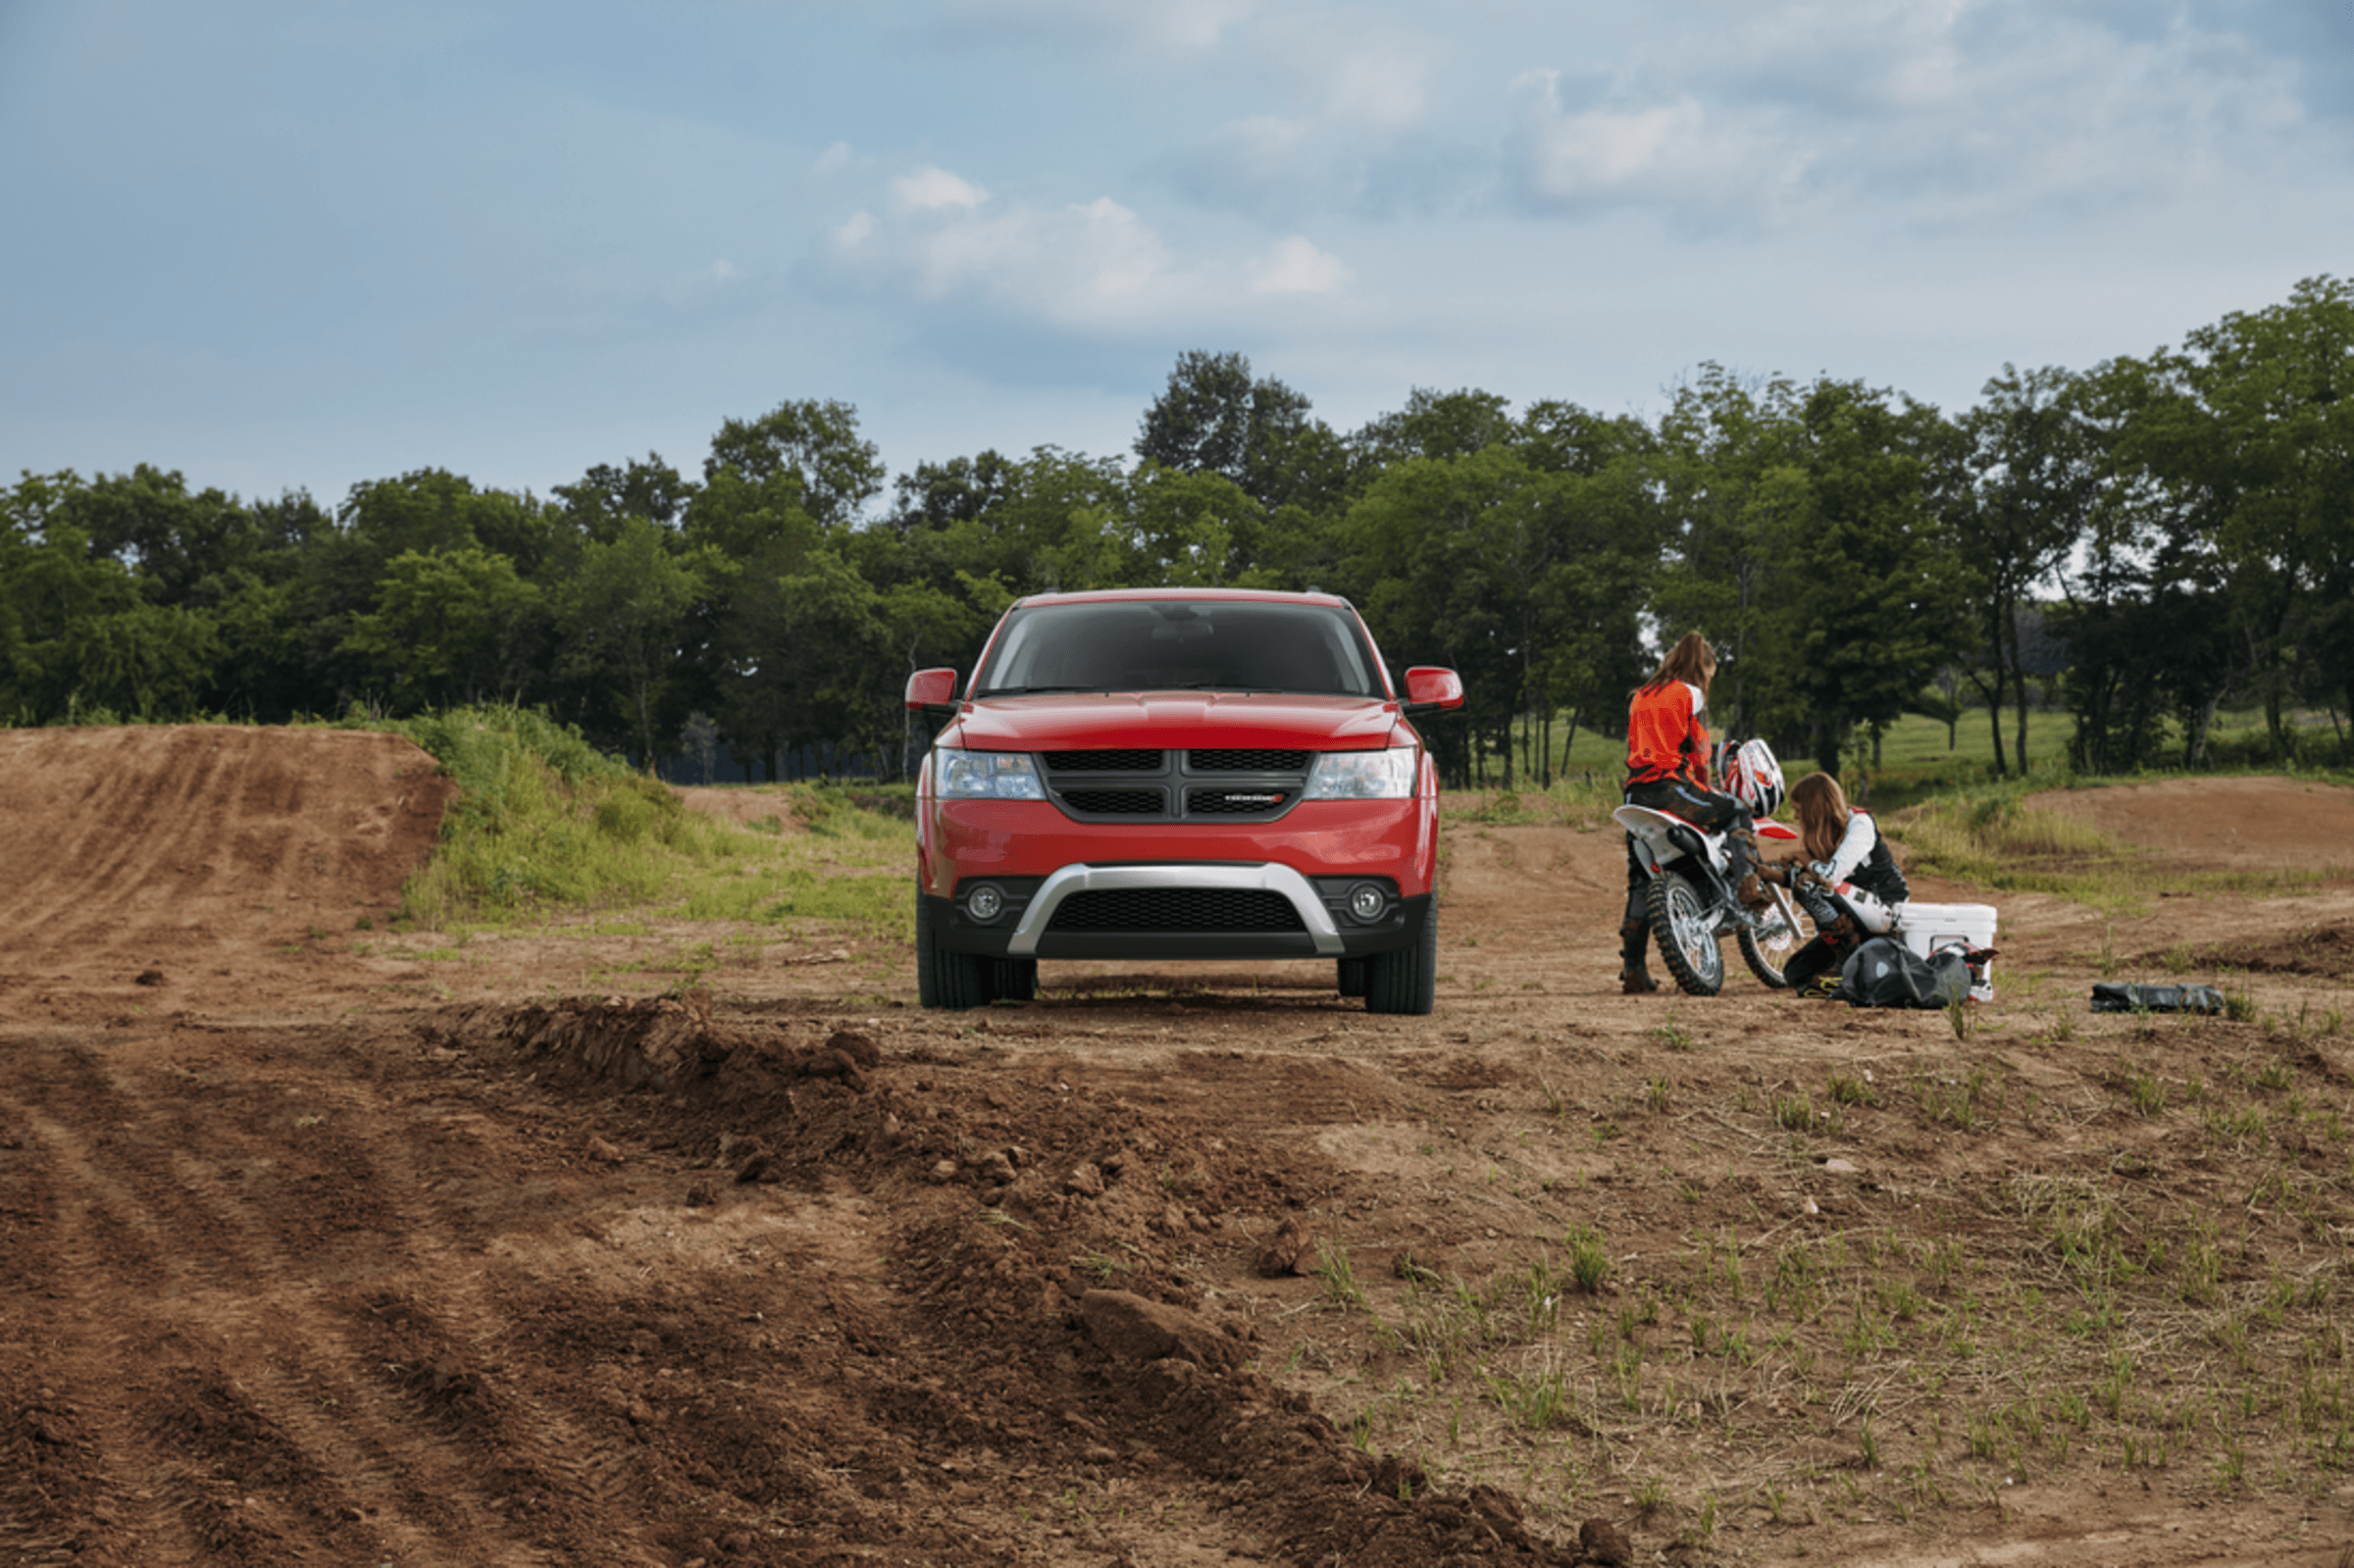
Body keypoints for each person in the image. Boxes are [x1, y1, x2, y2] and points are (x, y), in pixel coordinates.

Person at [1617, 632, 1768, 993]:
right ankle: (1745, 886)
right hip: (1671, 788)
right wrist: (1707, 787)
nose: (1709, 681)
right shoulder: (1691, 694)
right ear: (1701, 667)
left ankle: (1633, 970)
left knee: (1640, 880)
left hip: (1636, 795)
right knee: (1736, 812)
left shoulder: (1639, 696)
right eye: (1710, 673)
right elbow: (1699, 751)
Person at [1776, 770, 1911, 996]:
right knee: (1796, 973)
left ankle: (1848, 960)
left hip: (1887, 911)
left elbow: (1830, 878)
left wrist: (1807, 860)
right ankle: (1852, 965)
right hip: (1856, 915)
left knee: (1807, 885)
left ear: (1813, 811)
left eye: (1799, 811)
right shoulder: (1826, 837)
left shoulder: (1860, 824)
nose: (1796, 817)